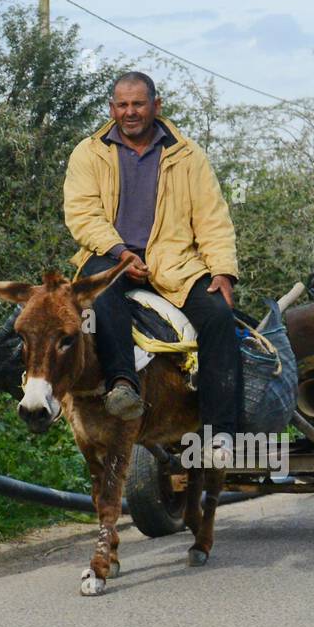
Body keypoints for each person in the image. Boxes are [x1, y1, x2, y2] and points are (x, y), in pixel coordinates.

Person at [63, 72, 242, 466]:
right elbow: (81, 213)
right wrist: (118, 250)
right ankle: (123, 384)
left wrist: (222, 271)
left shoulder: (187, 154)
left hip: (175, 264)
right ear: (112, 109)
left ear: (156, 106)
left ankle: (220, 435)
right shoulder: (88, 153)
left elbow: (212, 218)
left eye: (138, 104)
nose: (130, 112)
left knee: (217, 316)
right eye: (122, 105)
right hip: (110, 256)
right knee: (99, 294)